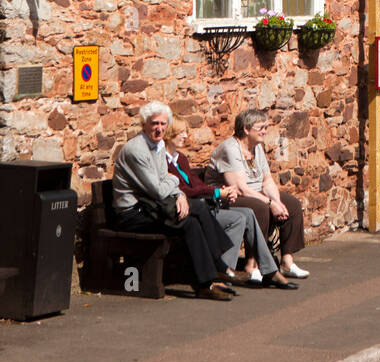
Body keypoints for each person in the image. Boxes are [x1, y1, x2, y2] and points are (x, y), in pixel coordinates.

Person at [112, 101, 233, 301]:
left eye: (163, 124)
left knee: (195, 216)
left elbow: (163, 181)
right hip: (132, 214)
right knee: (190, 221)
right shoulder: (137, 150)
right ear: (144, 124)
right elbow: (159, 189)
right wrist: (175, 180)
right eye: (154, 123)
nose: (159, 129)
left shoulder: (158, 145)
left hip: (151, 206)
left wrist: (180, 195)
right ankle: (214, 272)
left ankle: (209, 278)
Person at [164, 118, 296, 290]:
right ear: (169, 135)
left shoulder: (180, 158)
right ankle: (225, 271)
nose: (185, 136)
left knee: (246, 214)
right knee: (240, 217)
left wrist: (223, 191)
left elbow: (197, 184)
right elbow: (184, 190)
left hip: (204, 204)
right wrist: (218, 192)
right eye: (181, 132)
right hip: (192, 210)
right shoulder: (163, 161)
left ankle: (267, 270)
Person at [208, 109, 309, 279]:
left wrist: (277, 201)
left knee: (292, 204)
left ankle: (287, 261)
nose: (264, 131)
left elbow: (267, 180)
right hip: (228, 196)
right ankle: (251, 264)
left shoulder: (257, 147)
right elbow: (241, 188)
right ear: (246, 129)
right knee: (260, 208)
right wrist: (270, 203)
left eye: (266, 127)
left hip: (255, 192)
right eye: (260, 127)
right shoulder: (230, 148)